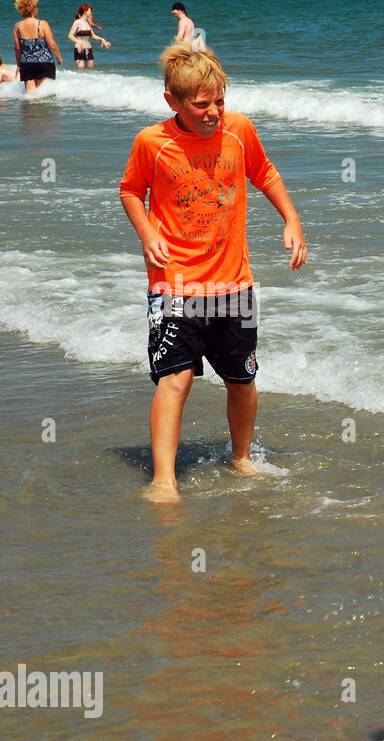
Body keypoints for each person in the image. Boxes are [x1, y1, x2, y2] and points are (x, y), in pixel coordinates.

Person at [119, 44, 307, 503]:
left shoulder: (238, 130)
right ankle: (164, 480)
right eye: (201, 104)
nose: (213, 112)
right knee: (176, 378)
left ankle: (241, 457)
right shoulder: (152, 142)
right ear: (173, 102)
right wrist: (146, 233)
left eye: (218, 100)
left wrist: (292, 220)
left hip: (234, 283)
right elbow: (130, 190)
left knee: (241, 377)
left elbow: (265, 174)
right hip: (173, 281)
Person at [12, 0, 61, 92]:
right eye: (37, 6)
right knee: (44, 95)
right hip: (44, 62)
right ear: (33, 8)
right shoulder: (42, 24)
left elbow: (17, 48)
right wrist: (59, 57)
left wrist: (19, 64)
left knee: (30, 97)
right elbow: (52, 44)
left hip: (26, 64)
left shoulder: (17, 27)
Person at [67, 4, 109, 70]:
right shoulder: (77, 22)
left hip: (89, 49)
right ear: (84, 12)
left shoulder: (87, 23)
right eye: (89, 11)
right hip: (79, 49)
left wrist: (101, 39)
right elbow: (70, 36)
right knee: (81, 70)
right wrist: (79, 42)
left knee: (90, 70)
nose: (91, 13)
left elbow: (92, 35)